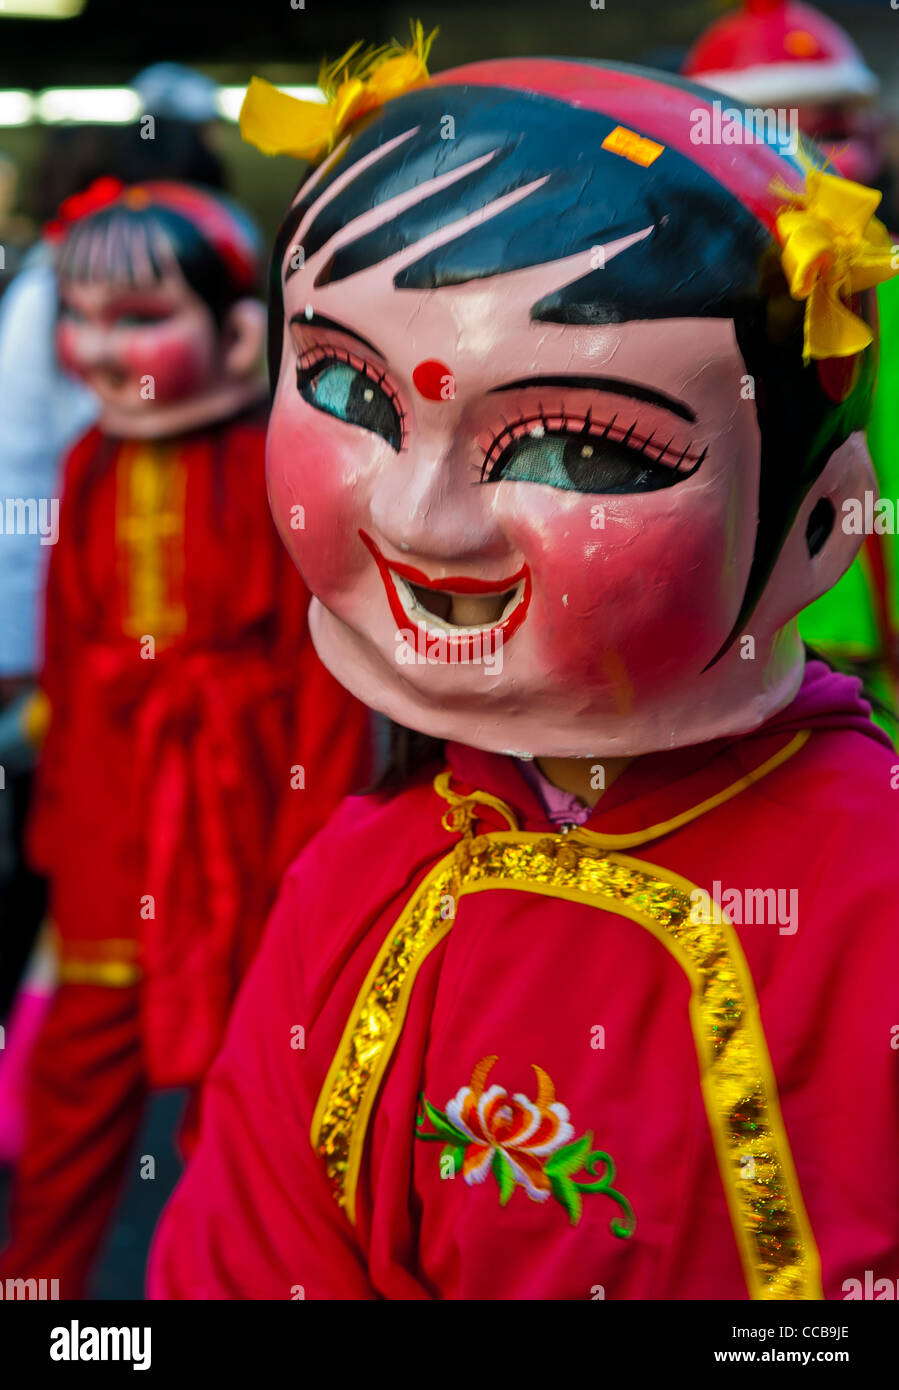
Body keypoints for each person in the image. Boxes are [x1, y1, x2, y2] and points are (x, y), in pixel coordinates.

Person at [149, 40, 898, 1300]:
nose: (425, 522)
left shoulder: (864, 899)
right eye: (343, 385)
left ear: (816, 519)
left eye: (577, 449)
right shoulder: (357, 874)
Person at [0, 178, 371, 1297]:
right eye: (80, 317)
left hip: (248, 822)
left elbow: (325, 685)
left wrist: (312, 854)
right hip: (114, 830)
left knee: (246, 1090)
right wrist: (62, 839)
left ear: (242, 332)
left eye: (140, 318)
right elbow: (68, 655)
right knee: (77, 1086)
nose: (98, 352)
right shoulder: (85, 465)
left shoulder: (281, 469)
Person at [683, 0, 899, 722]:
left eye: (838, 127)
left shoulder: (886, 283)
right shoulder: (674, 300)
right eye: (795, 130)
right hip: (747, 651)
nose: (833, 160)